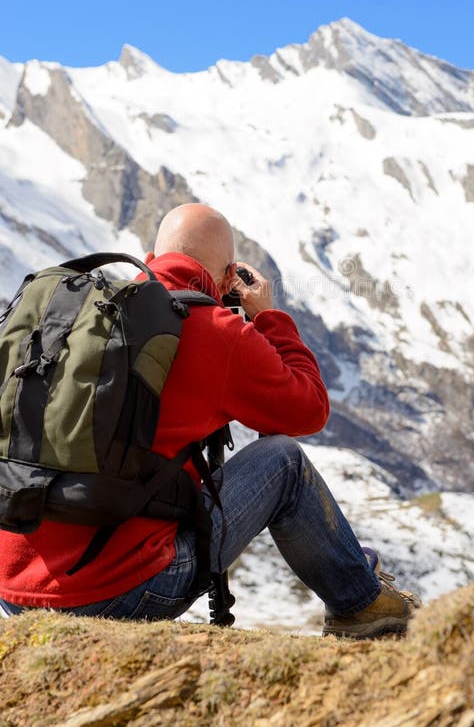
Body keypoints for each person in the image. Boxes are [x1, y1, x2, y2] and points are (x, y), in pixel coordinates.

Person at [0, 203, 421, 638]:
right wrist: (267, 316)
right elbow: (310, 407)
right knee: (284, 461)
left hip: (12, 590)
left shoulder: (91, 318)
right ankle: (361, 605)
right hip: (111, 596)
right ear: (227, 279)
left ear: (148, 261)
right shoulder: (216, 330)